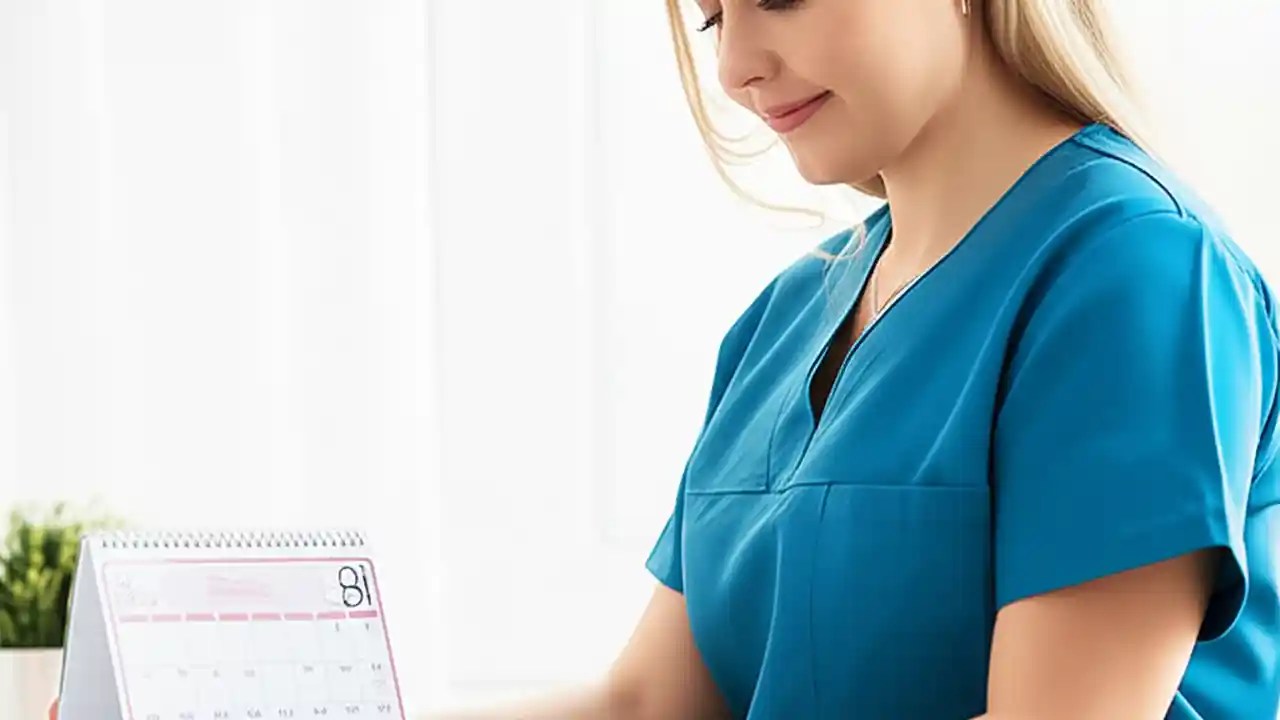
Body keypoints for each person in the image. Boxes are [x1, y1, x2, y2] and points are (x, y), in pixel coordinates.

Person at [45, 0, 1280, 718]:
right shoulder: (788, 317)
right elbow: (647, 706)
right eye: (707, 10)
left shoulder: (1131, 276)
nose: (736, 62)